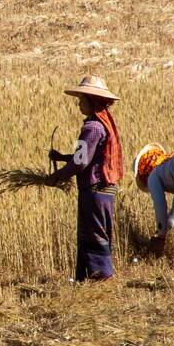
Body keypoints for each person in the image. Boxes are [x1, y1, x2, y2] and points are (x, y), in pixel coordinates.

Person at [45, 75, 124, 281]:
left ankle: (99, 277)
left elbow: (81, 162)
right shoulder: (103, 124)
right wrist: (63, 158)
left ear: (92, 101)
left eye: (82, 100)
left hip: (95, 189)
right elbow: (89, 156)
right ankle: (95, 276)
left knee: (93, 233)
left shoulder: (92, 127)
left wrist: (57, 176)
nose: (79, 104)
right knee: (100, 231)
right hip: (105, 188)